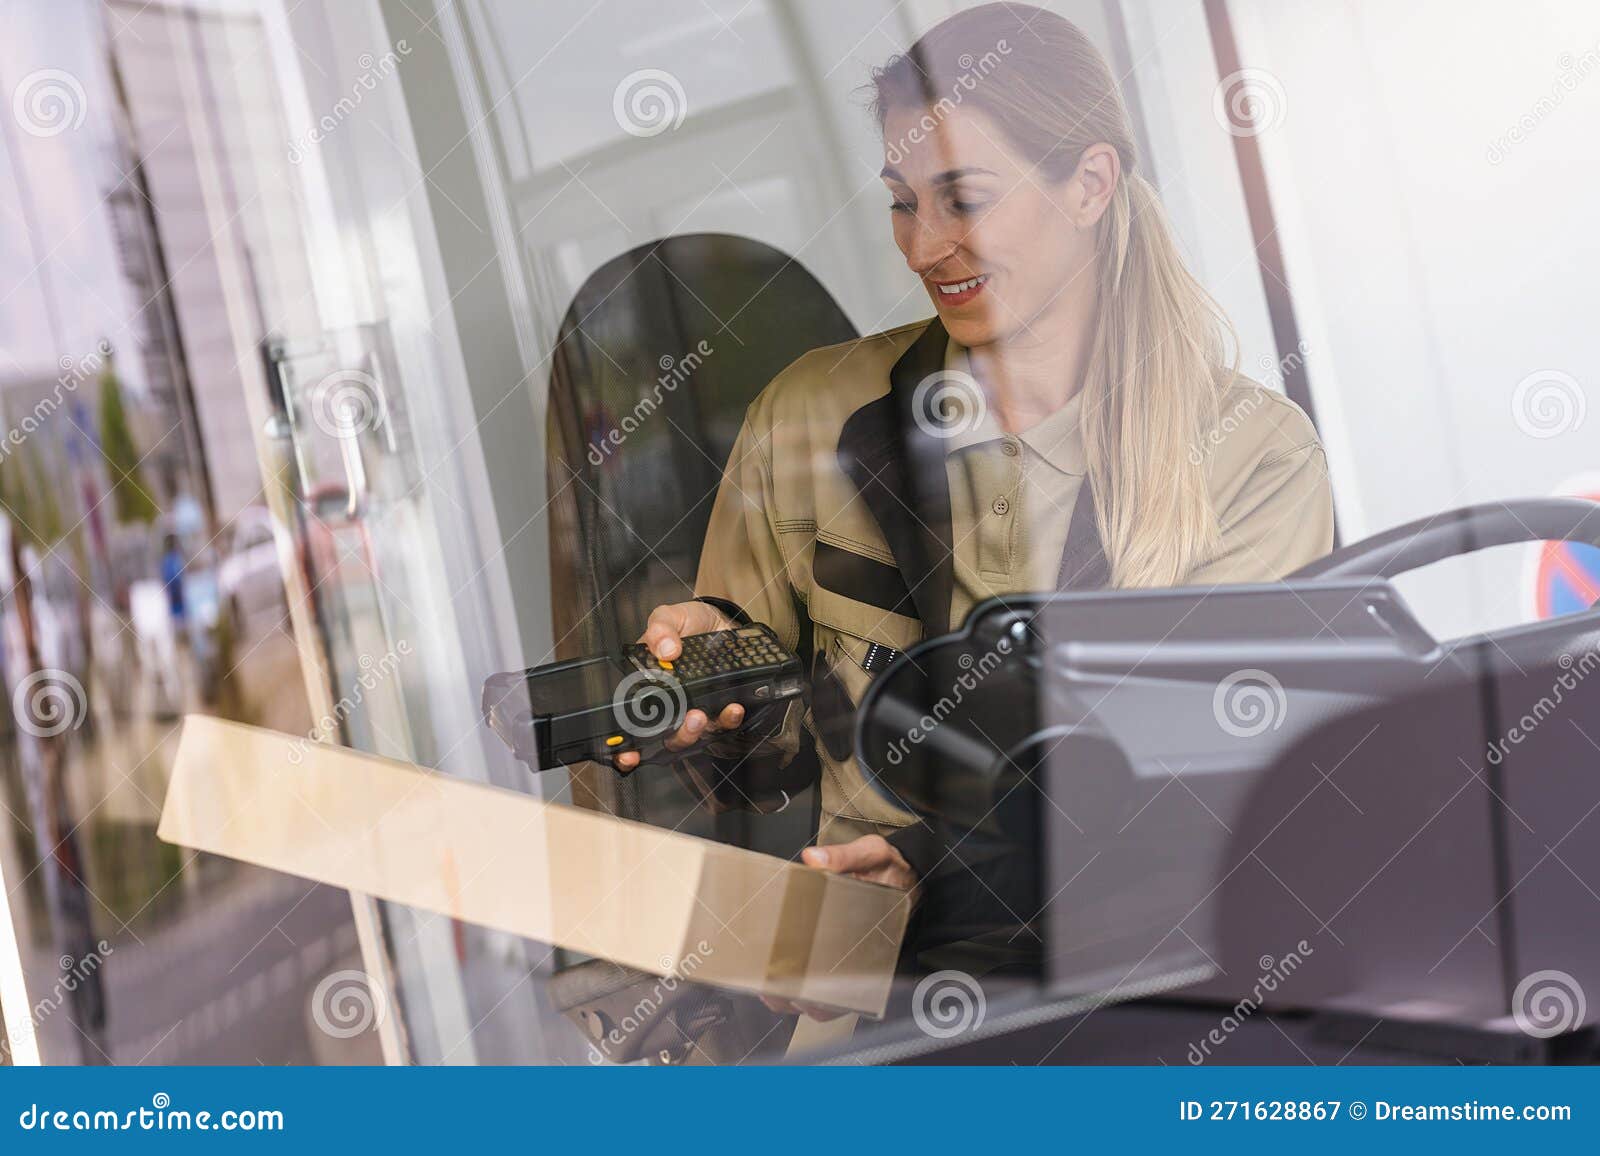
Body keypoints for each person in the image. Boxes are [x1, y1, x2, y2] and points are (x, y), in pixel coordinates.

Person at [616, 2, 1333, 996]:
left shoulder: (1253, 459)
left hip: (1147, 1004)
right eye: (902, 202)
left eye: (964, 198)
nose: (922, 246)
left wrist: (940, 864)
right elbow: (765, 779)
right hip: (874, 1009)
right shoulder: (806, 418)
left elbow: (1221, 796)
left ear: (1088, 185)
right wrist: (716, 699)